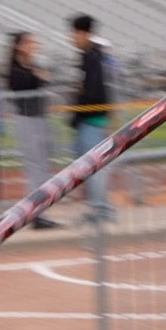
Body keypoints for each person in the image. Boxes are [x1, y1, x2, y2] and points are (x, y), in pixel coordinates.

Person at [5, 32, 64, 230]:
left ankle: (40, 210)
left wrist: (38, 76)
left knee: (42, 166)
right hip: (28, 119)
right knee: (35, 167)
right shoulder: (16, 69)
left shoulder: (30, 66)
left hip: (38, 117)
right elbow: (29, 83)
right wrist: (37, 76)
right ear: (19, 46)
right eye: (29, 43)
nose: (34, 46)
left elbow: (41, 79)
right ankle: (35, 212)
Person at [65, 15, 116, 222]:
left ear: (82, 33)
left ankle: (102, 210)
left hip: (92, 120)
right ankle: (97, 209)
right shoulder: (90, 56)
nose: (71, 38)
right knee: (88, 167)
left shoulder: (91, 58)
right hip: (90, 118)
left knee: (92, 167)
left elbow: (92, 91)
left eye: (73, 33)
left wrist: (78, 112)